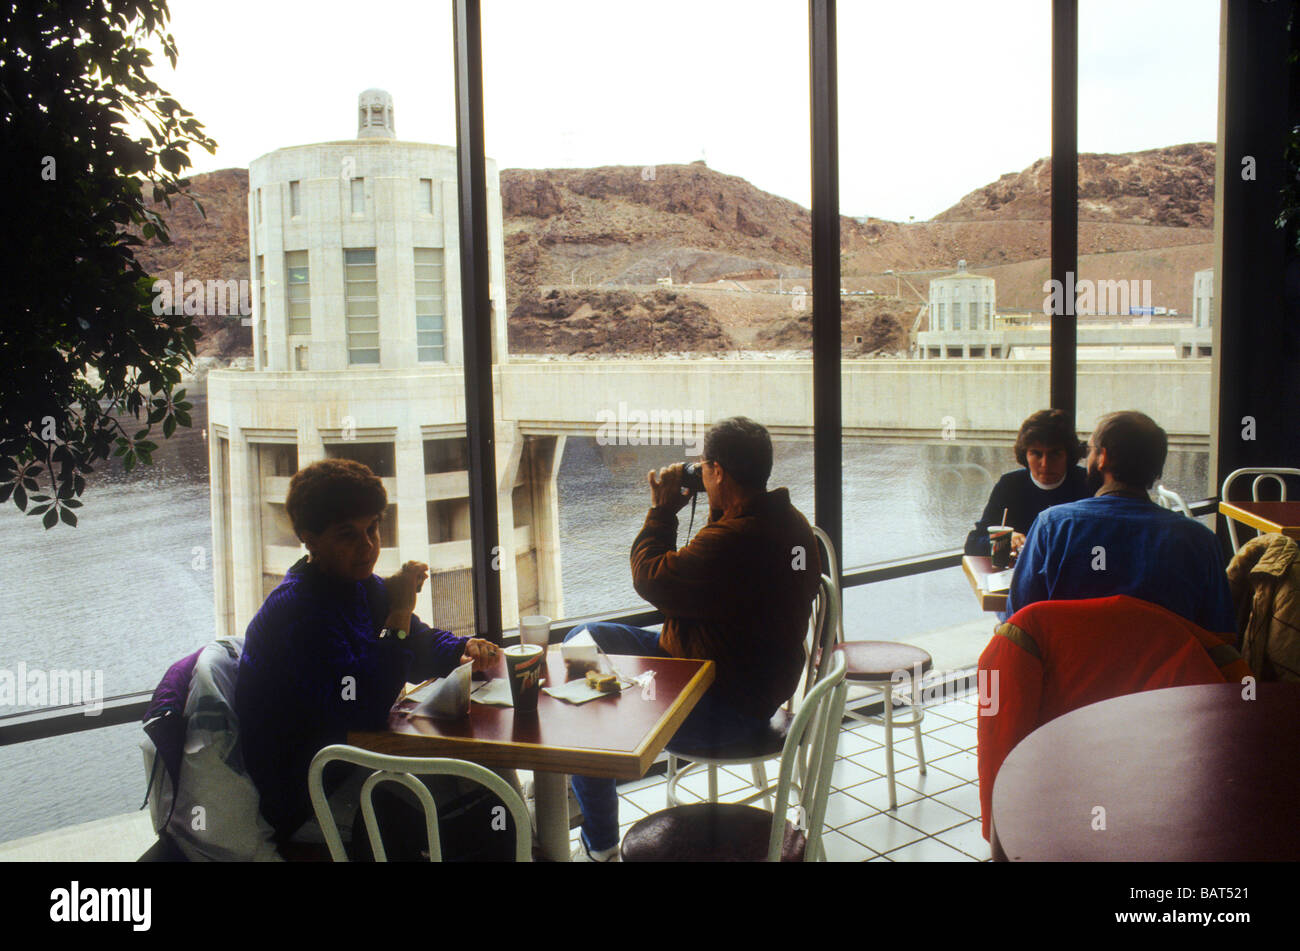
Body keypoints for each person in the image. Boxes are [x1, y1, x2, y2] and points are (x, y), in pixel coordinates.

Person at [565, 417, 821, 861]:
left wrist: (662, 511)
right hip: (721, 673)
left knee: (588, 707)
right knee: (582, 641)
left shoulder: (736, 539)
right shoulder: (784, 520)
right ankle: (590, 799)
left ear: (718, 471)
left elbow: (651, 579)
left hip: (724, 706)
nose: (699, 474)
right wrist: (716, 502)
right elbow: (718, 575)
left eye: (705, 467)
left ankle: (600, 842)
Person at [235, 458, 500, 854]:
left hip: (356, 760)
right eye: (348, 535)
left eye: (373, 528)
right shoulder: (296, 611)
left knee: (492, 783)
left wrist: (463, 649)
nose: (368, 546)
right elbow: (364, 704)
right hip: (313, 793)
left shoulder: (356, 585)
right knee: (486, 809)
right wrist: (398, 612)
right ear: (309, 539)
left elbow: (417, 644)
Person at [1006, 411, 1237, 638]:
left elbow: (1017, 620)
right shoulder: (1201, 541)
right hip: (1170, 675)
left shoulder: (1052, 526)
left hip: (1068, 673)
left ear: (1103, 457)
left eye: (1092, 449)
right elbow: (1221, 635)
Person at [964, 409, 1090, 558]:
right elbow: (973, 543)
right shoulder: (1009, 485)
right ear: (1025, 455)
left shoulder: (1087, 482)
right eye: (1036, 454)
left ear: (1068, 455)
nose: (1045, 464)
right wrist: (1003, 540)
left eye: (1055, 454)